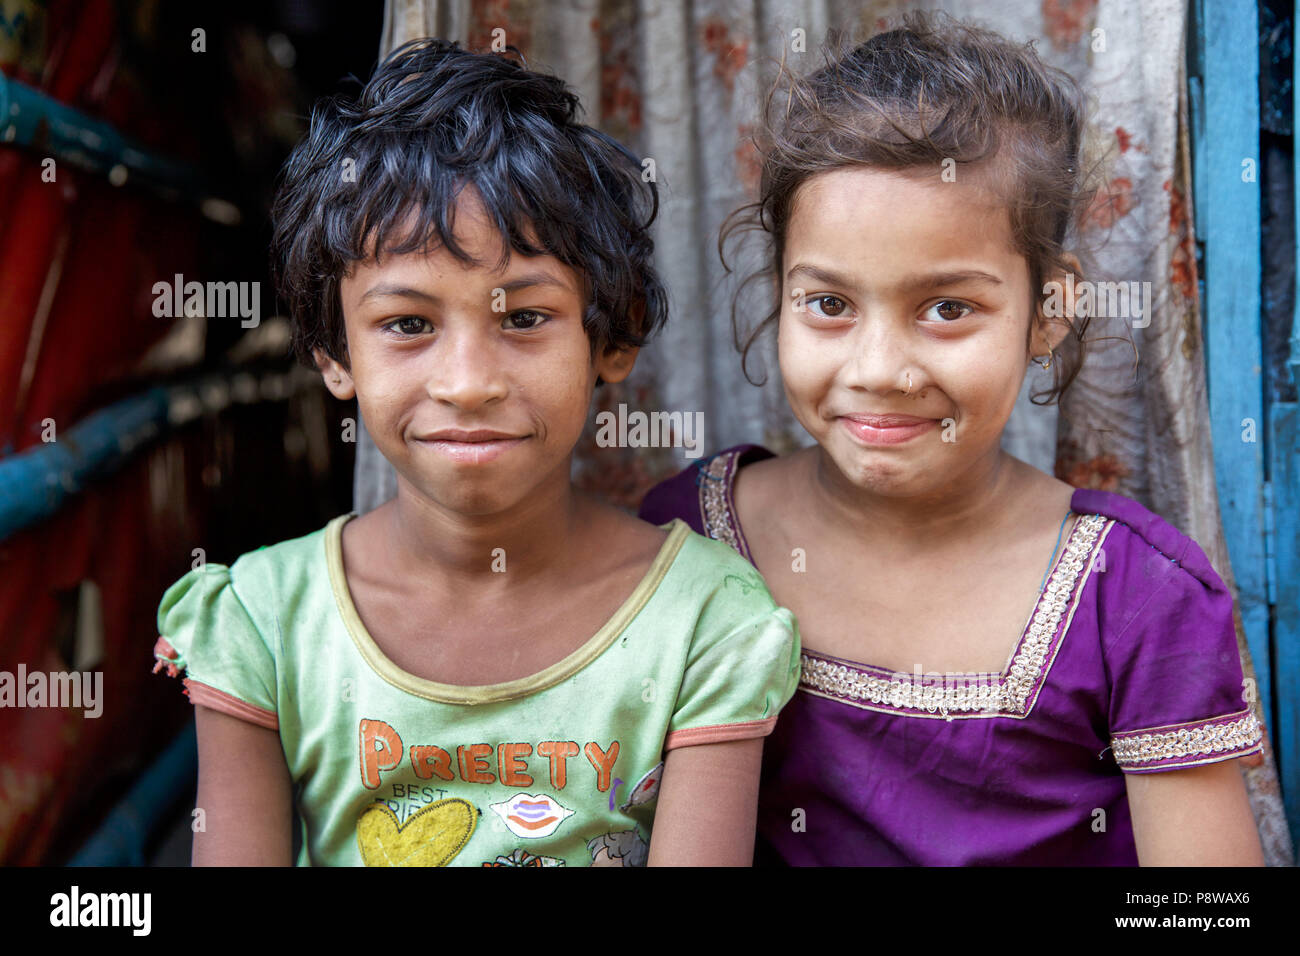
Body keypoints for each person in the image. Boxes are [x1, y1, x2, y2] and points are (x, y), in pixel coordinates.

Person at [152, 38, 800, 867]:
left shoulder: (703, 624)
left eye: (525, 318)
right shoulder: (263, 624)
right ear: (333, 355)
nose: (467, 383)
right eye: (408, 325)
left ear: (613, 336)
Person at [640, 12, 1264, 865]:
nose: (881, 368)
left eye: (947, 308)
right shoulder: (687, 543)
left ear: (1050, 309)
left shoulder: (1137, 596)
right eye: (829, 304)